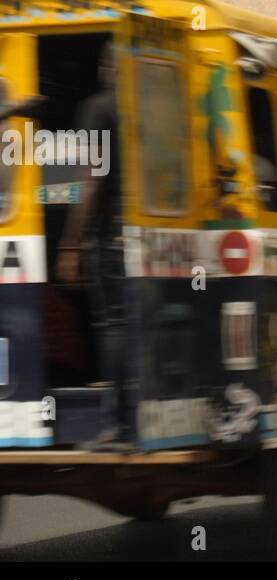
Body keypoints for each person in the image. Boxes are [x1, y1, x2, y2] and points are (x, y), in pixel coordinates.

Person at [55, 40, 125, 441]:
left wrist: (70, 244)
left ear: (105, 66)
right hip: (148, 234)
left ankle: (115, 421)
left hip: (110, 235)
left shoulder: (98, 109)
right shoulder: (150, 107)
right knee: (134, 325)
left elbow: (92, 178)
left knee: (112, 324)